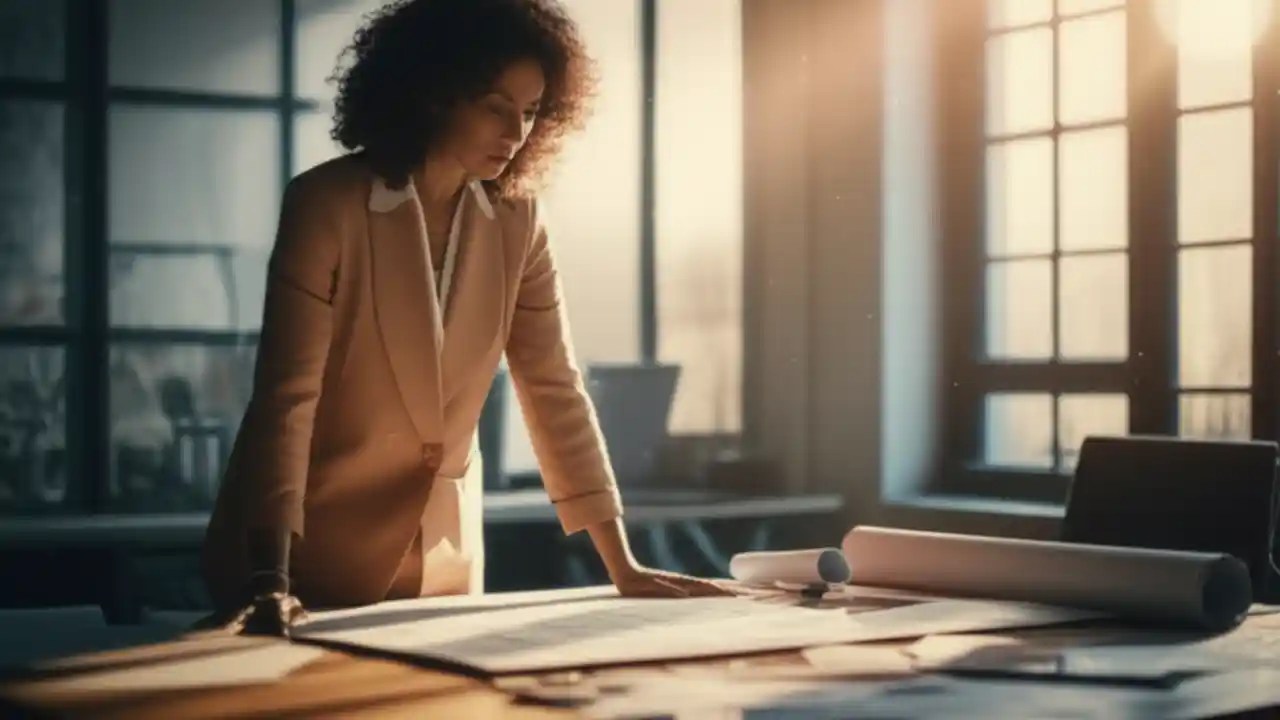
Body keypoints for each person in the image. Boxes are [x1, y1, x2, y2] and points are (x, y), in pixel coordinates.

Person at [201, 0, 730, 636]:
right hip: (304, 564)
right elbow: (288, 399)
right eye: (494, 105)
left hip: (442, 573)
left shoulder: (518, 220)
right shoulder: (326, 205)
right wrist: (271, 582)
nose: (516, 131)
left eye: (531, 111)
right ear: (433, 94)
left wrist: (624, 566)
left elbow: (553, 386)